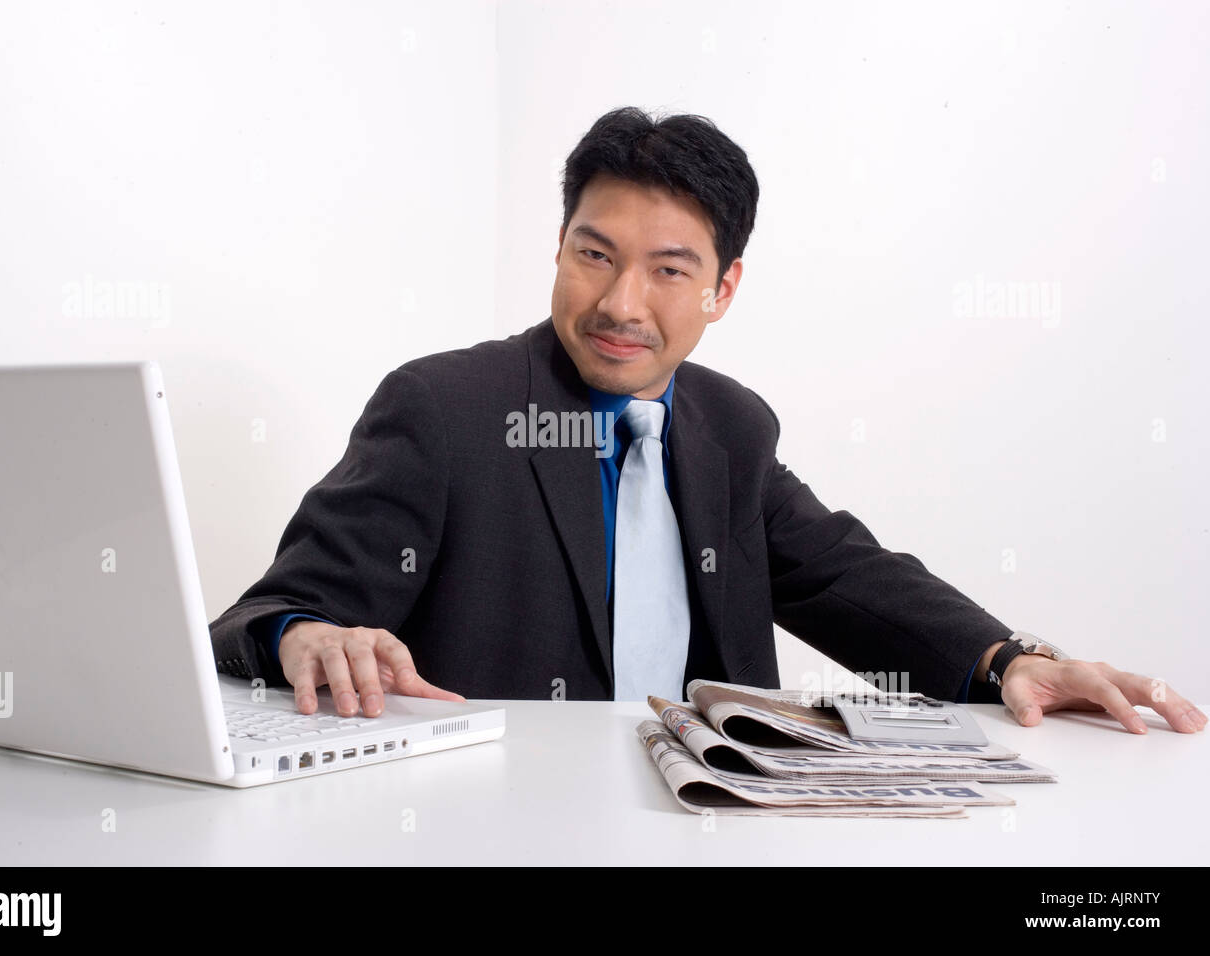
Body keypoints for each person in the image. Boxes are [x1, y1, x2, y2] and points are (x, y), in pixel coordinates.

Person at [208, 106, 1205, 738]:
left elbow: (843, 572)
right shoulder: (446, 409)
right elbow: (262, 617)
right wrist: (302, 633)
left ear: (724, 286)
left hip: (709, 825)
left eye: (669, 269)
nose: (621, 304)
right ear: (558, 247)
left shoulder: (730, 427)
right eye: (593, 254)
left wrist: (1010, 656)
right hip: (495, 833)